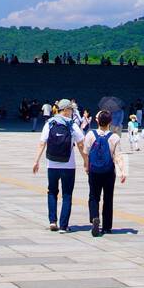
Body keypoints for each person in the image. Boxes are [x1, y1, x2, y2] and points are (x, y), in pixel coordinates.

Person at [33, 99, 86, 232]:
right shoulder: (72, 125)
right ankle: (63, 225)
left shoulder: (50, 123)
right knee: (67, 194)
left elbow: (41, 143)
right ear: (66, 110)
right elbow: (81, 144)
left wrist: (36, 161)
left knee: (52, 192)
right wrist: (86, 160)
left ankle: (52, 221)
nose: (72, 112)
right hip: (69, 165)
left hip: (52, 164)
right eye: (71, 109)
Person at [82, 109, 127, 236]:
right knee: (108, 198)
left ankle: (94, 217)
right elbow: (118, 156)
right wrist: (122, 172)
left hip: (94, 170)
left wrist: (86, 166)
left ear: (97, 121)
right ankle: (107, 227)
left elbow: (85, 153)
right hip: (108, 171)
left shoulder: (90, 135)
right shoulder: (114, 137)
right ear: (110, 122)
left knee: (93, 196)